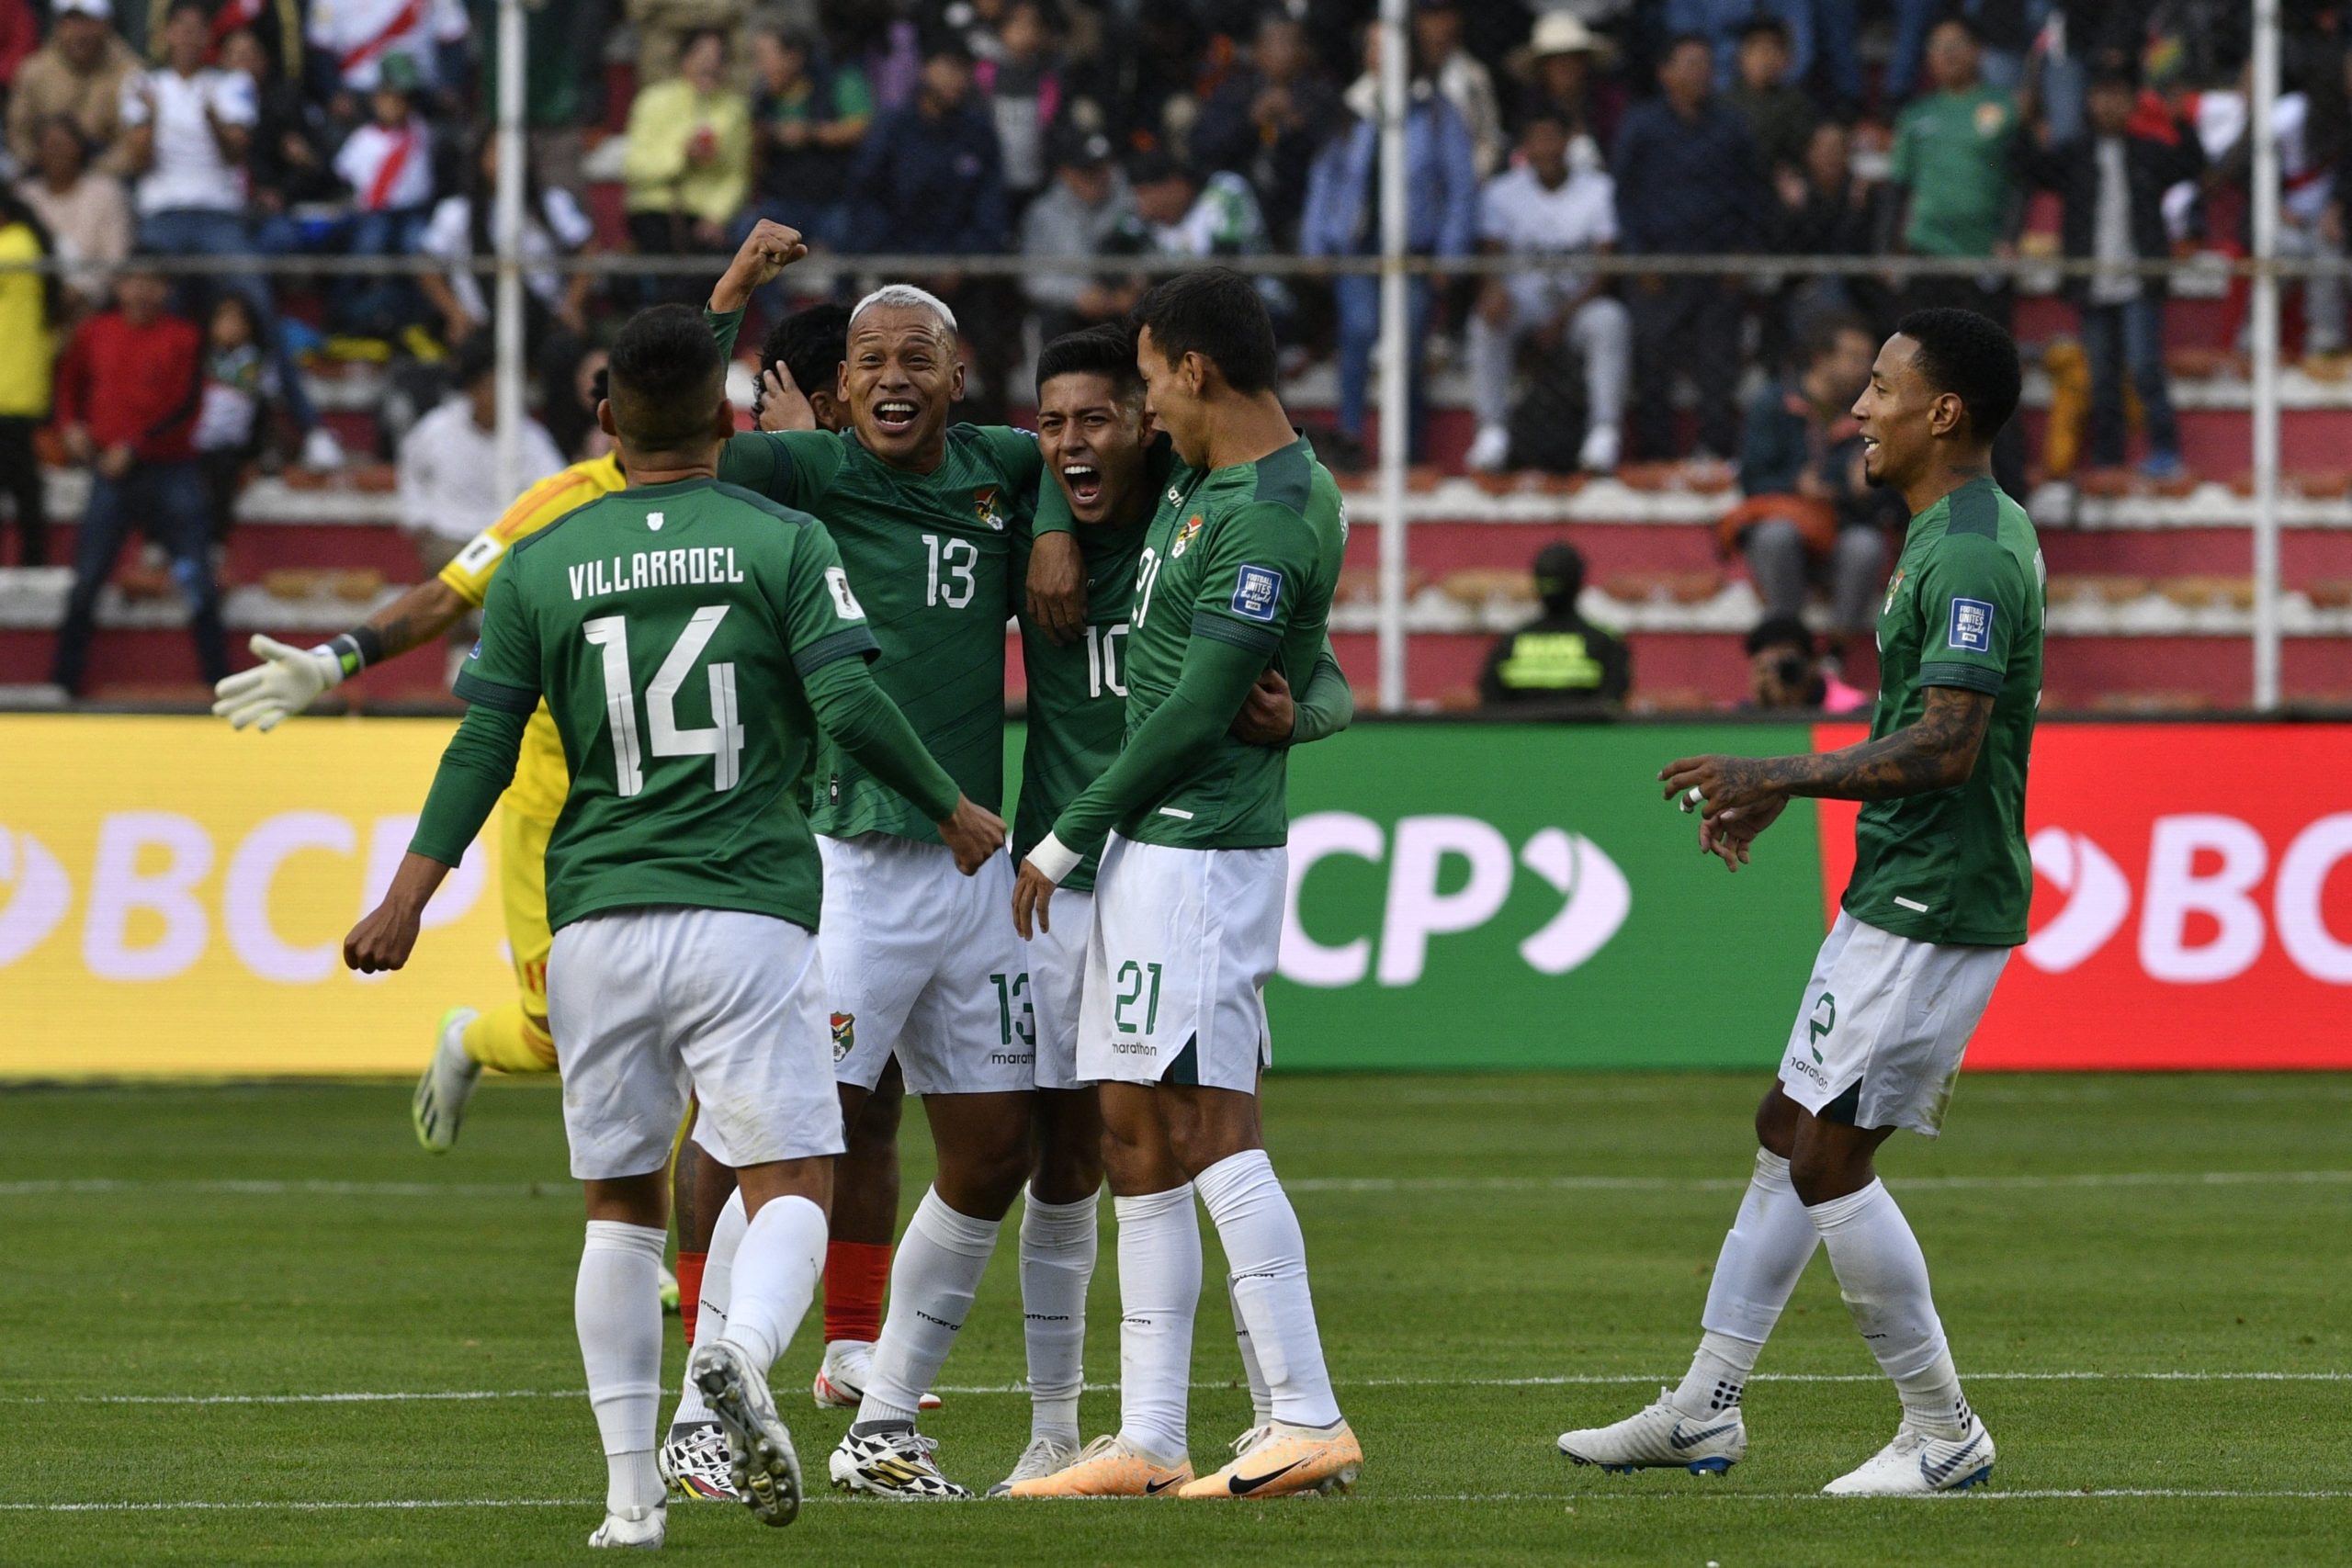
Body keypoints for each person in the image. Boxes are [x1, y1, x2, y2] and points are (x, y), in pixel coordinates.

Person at [342, 301, 1010, 1550]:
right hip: (745, 907)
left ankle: (629, 1503)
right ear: (724, 419)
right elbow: (849, 701)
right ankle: (742, 1355)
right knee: (795, 1172)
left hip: (597, 918)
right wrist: (950, 805)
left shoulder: (544, 557)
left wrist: (406, 896)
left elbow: (482, 740)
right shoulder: (782, 537)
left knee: (620, 1204)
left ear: (605, 420)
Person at [1565, 308, 2040, 1498]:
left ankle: (1942, 1430)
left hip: (1936, 899)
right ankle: (1703, 1407)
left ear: (1944, 412)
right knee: (1789, 1128)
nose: (1857, 409)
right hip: (1896, 884)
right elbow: (1916, 731)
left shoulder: (1973, 553)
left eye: (1881, 388)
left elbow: (1948, 744)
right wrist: (1795, 791)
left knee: (1827, 1158)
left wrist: (1777, 768)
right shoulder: (1940, 535)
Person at [701, 222, 1087, 1499]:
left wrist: (1049, 527)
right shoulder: (810, 468)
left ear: (958, 374)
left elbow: (1082, 456)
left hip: (977, 875)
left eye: (916, 355)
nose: (891, 376)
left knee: (991, 1151)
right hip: (854, 862)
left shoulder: (1003, 466)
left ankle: (881, 1428)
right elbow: (679, 436)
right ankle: (705, 1411)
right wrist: (731, 296)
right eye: (868, 359)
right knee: (790, 1140)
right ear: (841, 383)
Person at [1009, 267, 1361, 1501]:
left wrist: (1064, 837)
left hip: (1203, 852)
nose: (1143, 406)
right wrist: (1051, 525)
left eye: (1152, 380)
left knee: (1210, 1122)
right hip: (1152, 852)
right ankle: (1151, 1435)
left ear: (1196, 371)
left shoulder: (1273, 511)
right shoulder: (1205, 479)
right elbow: (1326, 684)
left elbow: (1206, 706)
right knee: (1130, 1124)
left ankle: (1305, 1414)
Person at [123, 1, 337, 468]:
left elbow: (234, 155)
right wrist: (153, 120)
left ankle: (312, 428)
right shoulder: (141, 84)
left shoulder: (230, 85)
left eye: (197, 30)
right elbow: (138, 163)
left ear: (208, 39)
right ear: (166, 35)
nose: (188, 38)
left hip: (218, 217)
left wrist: (211, 118)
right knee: (145, 312)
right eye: (180, 29)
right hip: (162, 217)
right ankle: (142, 431)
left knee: (259, 309)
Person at [2018, 53, 2205, 480]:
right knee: (2101, 376)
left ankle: (2164, 449)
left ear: (2133, 103)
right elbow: (2028, 166)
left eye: (2117, 96)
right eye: (2101, 96)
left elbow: (2192, 164)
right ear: (2088, 101)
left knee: (2143, 367)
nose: (2108, 105)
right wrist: (2026, 121)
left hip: (2139, 279)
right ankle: (2109, 458)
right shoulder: (2074, 155)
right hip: (2091, 280)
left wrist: (2181, 120)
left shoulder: (2148, 153)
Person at [1301, 21, 1478, 467]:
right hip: (1357, 247)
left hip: (1414, 251)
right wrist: (1315, 243)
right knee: (1357, 332)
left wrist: (1451, 255)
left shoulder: (1437, 112)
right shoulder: (1352, 109)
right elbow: (1325, 180)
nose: (1381, 56)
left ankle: (1408, 451)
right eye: (1373, 47)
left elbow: (1460, 187)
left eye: (1390, 46)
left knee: (1409, 344)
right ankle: (1350, 440)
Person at [49, 254, 223, 696]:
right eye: (133, 281)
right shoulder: (95, 331)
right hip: (111, 471)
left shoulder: (184, 338)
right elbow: (68, 385)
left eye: (152, 282)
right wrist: (69, 425)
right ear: (119, 287)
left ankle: (220, 684)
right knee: (87, 578)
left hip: (170, 469)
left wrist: (135, 446)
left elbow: (186, 407)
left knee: (198, 580)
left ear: (166, 289)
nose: (141, 291)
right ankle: (63, 688)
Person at [1611, 32, 1767, 461]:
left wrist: (1742, 253)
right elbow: (1624, 196)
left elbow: (1754, 192)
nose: (1701, 73)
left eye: (1706, 64)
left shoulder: (1732, 125)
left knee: (1718, 366)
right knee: (1652, 363)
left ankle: (1715, 452)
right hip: (1657, 265)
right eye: (1690, 64)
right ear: (1665, 73)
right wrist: (1639, 259)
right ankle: (1656, 457)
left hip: (1718, 265)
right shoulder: (1641, 125)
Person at [842, 39, 1015, 422]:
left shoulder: (978, 132)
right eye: (947, 66)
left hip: (964, 276)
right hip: (895, 272)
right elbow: (865, 201)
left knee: (993, 341)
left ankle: (990, 434)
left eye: (963, 68)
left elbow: (991, 212)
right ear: (926, 68)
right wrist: (902, 262)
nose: (956, 78)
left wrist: (961, 261)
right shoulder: (892, 128)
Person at [1464, 115, 1629, 474]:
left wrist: (1561, 319)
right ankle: (1492, 432)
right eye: (1537, 140)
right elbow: (1491, 258)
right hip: (1523, 302)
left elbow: (1605, 268)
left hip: (1577, 303)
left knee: (1611, 321)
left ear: (1568, 141)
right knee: (1484, 322)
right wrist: (1494, 290)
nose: (1546, 149)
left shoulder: (1598, 188)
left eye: (1553, 138)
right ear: (1525, 147)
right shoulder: (1502, 191)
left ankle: (1603, 434)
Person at [1728, 311, 1895, 642]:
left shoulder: (1875, 413)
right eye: (1854, 358)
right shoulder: (1773, 404)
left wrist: (1870, 487)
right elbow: (1751, 480)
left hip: (1842, 528)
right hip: (1788, 526)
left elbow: (1893, 500)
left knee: (1866, 546)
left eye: (1868, 359)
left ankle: (1836, 651)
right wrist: (1795, 485)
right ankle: (1789, 641)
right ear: (1821, 359)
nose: (1864, 368)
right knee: (1776, 537)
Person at [395, 340, 565, 576]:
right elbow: (411, 470)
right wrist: (418, 519)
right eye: (491, 388)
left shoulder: (530, 436)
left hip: (506, 539)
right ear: (472, 390)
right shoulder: (438, 427)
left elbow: (555, 487)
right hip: (448, 534)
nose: (501, 397)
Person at [1187, 12, 1340, 248]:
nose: (1287, 51)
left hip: (1299, 206)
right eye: (1278, 42)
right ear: (1258, 51)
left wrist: (1300, 125)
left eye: (1295, 43)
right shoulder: (1234, 93)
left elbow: (1336, 154)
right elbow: (1203, 148)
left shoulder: (1319, 95)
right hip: (1243, 203)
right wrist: (1251, 121)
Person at [623, 28, 753, 303]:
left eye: (718, 58)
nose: (710, 64)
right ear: (685, 60)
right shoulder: (654, 101)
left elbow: (737, 175)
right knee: (663, 273)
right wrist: (682, 156)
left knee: (716, 268)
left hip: (706, 216)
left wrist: (717, 216)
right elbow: (636, 167)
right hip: (655, 209)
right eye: (702, 56)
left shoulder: (734, 111)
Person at [328, 51, 435, 338]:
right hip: (371, 215)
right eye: (389, 97)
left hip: (414, 212)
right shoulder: (363, 138)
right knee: (368, 246)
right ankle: (340, 317)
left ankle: (424, 321)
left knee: (419, 247)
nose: (395, 105)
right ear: (376, 98)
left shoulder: (419, 131)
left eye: (402, 99)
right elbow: (342, 178)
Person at [741, 26, 873, 254]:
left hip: (833, 200)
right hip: (782, 201)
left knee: (847, 233)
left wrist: (811, 133)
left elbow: (861, 128)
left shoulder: (835, 82)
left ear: (793, 58)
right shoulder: (762, 100)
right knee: (746, 232)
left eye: (764, 57)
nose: (760, 67)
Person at [1476, 541, 1630, 709]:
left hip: (1520, 727)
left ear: (1537, 582)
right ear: (1580, 580)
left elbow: (1491, 705)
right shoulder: (1606, 642)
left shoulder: (1509, 642)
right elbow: (1610, 703)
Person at [1018, 126, 1135, 344]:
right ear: (1065, 172)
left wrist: (1134, 289)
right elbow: (1032, 279)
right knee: (1048, 322)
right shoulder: (1044, 213)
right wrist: (1077, 295)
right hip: (1070, 310)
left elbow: (1154, 249)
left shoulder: (1132, 202)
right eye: (1087, 171)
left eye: (1102, 169)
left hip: (1124, 303)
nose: (1097, 178)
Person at [17, 116, 132, 316]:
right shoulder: (24, 196)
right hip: (35, 300)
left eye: (63, 145)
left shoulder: (105, 192)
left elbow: (116, 256)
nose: (57, 153)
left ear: (80, 149)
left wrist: (83, 291)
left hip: (93, 302)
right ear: (38, 152)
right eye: (50, 146)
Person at [5, 0, 138, 171]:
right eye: (70, 22)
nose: (79, 33)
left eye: (88, 22)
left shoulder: (130, 74)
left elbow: (133, 145)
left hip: (103, 172)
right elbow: (18, 131)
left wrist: (93, 170)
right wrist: (40, 164)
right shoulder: (34, 71)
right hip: (42, 170)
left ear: (106, 25)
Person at [0, 183, 56, 567]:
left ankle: (34, 558)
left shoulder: (16, 246)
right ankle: (33, 557)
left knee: (22, 481)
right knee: (22, 480)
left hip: (11, 385)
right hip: (16, 383)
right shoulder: (26, 243)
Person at [192, 292, 269, 547]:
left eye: (238, 320)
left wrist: (253, 457)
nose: (231, 326)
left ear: (250, 327)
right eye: (224, 319)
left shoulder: (256, 364)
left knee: (222, 478)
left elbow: (262, 414)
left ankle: (217, 543)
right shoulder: (197, 358)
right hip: (194, 443)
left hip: (232, 448)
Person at [1413, 0, 1503, 178]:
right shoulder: (1399, 72)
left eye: (1445, 16)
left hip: (1463, 178)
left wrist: (1467, 178)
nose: (1438, 25)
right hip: (1411, 181)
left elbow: (1489, 138)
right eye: (1431, 17)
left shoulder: (1474, 76)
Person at [1720, 15, 1815, 181]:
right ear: (1741, 56)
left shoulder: (1797, 103)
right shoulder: (1722, 102)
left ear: (1786, 59)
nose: (1766, 58)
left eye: (1774, 49)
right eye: (1758, 49)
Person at [1740, 615, 1869, 714]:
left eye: (1788, 666)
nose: (1779, 675)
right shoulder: (1740, 718)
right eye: (1768, 667)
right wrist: (1761, 710)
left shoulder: (1853, 709)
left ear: (1811, 663)